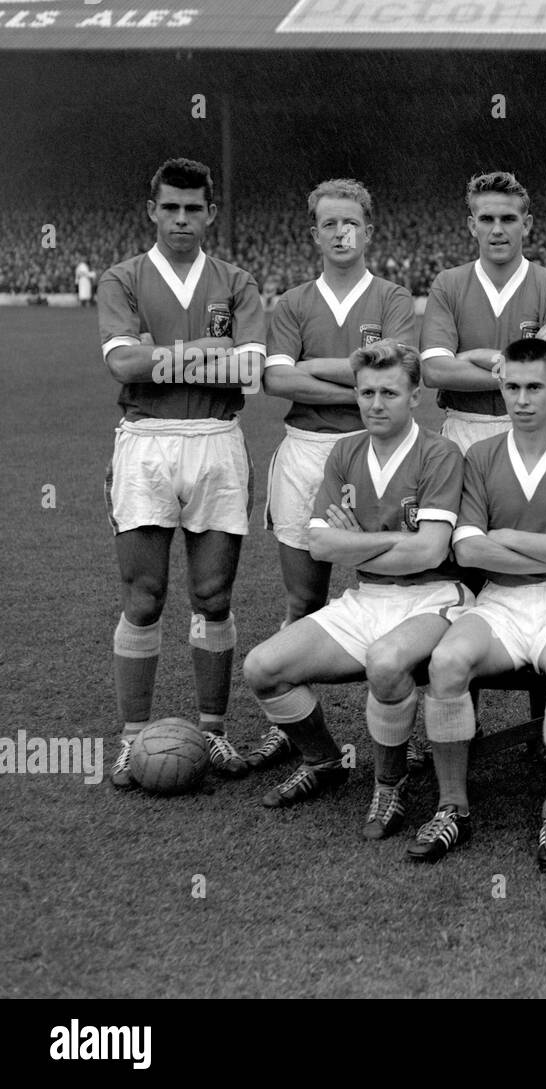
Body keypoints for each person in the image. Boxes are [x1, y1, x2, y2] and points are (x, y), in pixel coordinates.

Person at [242, 340, 470, 837]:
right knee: (262, 668)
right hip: (366, 598)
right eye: (366, 392)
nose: (375, 403)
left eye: (389, 392)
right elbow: (319, 545)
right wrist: (386, 541)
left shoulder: (440, 453)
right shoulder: (345, 451)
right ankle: (324, 760)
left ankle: (389, 784)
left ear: (414, 397)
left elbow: (430, 552)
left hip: (434, 597)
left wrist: (356, 540)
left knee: (386, 664)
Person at [99, 157, 265, 789]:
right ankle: (132, 739)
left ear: (211, 214)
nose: (181, 219)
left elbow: (247, 370)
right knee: (143, 598)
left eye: (193, 208)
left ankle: (214, 733)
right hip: (145, 443)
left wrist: (162, 356)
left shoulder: (236, 280)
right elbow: (123, 367)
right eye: (170, 207)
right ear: (152, 211)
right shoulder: (124, 278)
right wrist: (205, 352)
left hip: (218, 443)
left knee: (213, 596)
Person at [412, 338, 546, 870]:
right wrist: (544, 549)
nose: (522, 399)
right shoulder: (480, 455)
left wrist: (507, 538)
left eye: (534, 387)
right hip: (498, 599)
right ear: (502, 387)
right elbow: (468, 547)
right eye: (513, 387)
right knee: (447, 663)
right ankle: (452, 805)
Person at [248, 179, 416, 773]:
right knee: (304, 596)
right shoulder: (293, 302)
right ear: (314, 233)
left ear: (369, 231)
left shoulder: (394, 298)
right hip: (306, 452)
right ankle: (298, 731)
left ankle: (407, 730)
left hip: (380, 453)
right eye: (329, 224)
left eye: (351, 223)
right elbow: (276, 381)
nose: (341, 232)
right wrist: (360, 382)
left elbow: (392, 376)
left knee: (402, 591)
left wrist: (316, 370)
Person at [419, 171, 546, 454]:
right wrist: (525, 368)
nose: (498, 230)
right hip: (462, 432)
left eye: (508, 219)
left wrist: (474, 357)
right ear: (471, 225)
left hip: (532, 432)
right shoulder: (448, 283)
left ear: (526, 225)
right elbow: (434, 371)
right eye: (487, 219)